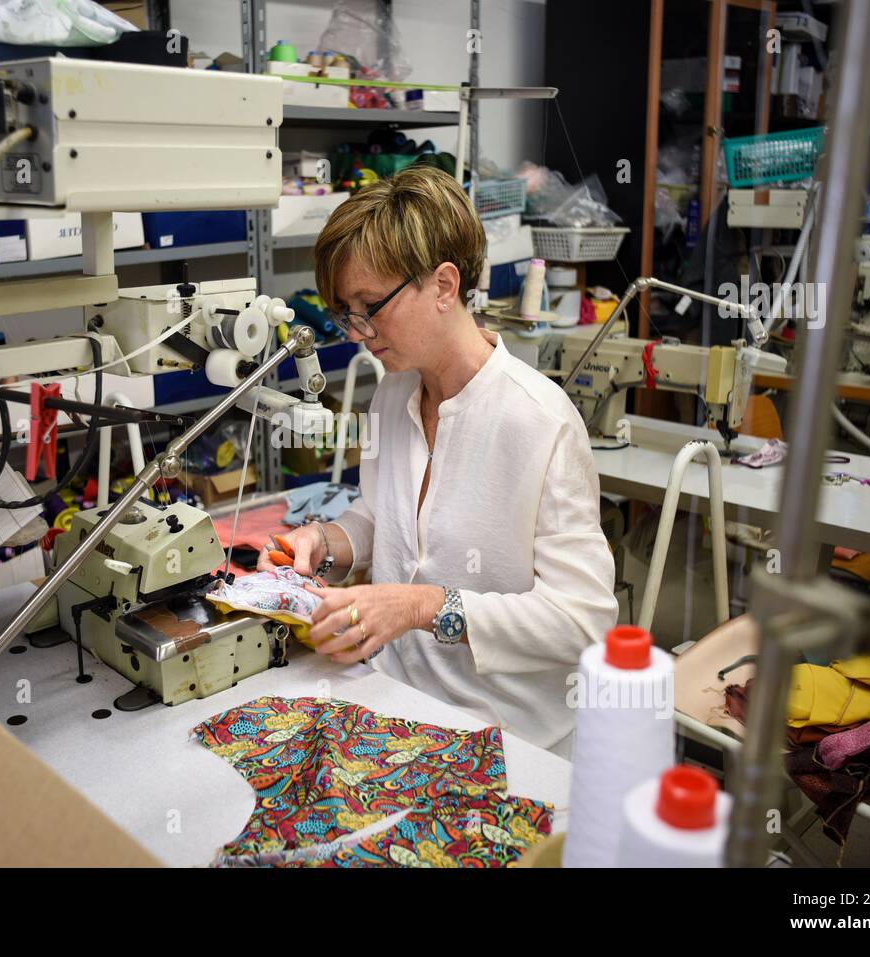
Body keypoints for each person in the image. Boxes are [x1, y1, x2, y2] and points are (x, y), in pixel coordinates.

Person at [258, 164, 618, 755]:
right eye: (346, 311)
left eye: (371, 305)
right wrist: (328, 541)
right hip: (396, 705)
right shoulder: (394, 392)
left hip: (511, 738)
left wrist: (424, 605)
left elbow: (585, 620)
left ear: (444, 286)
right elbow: (379, 519)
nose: (357, 331)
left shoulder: (539, 420)